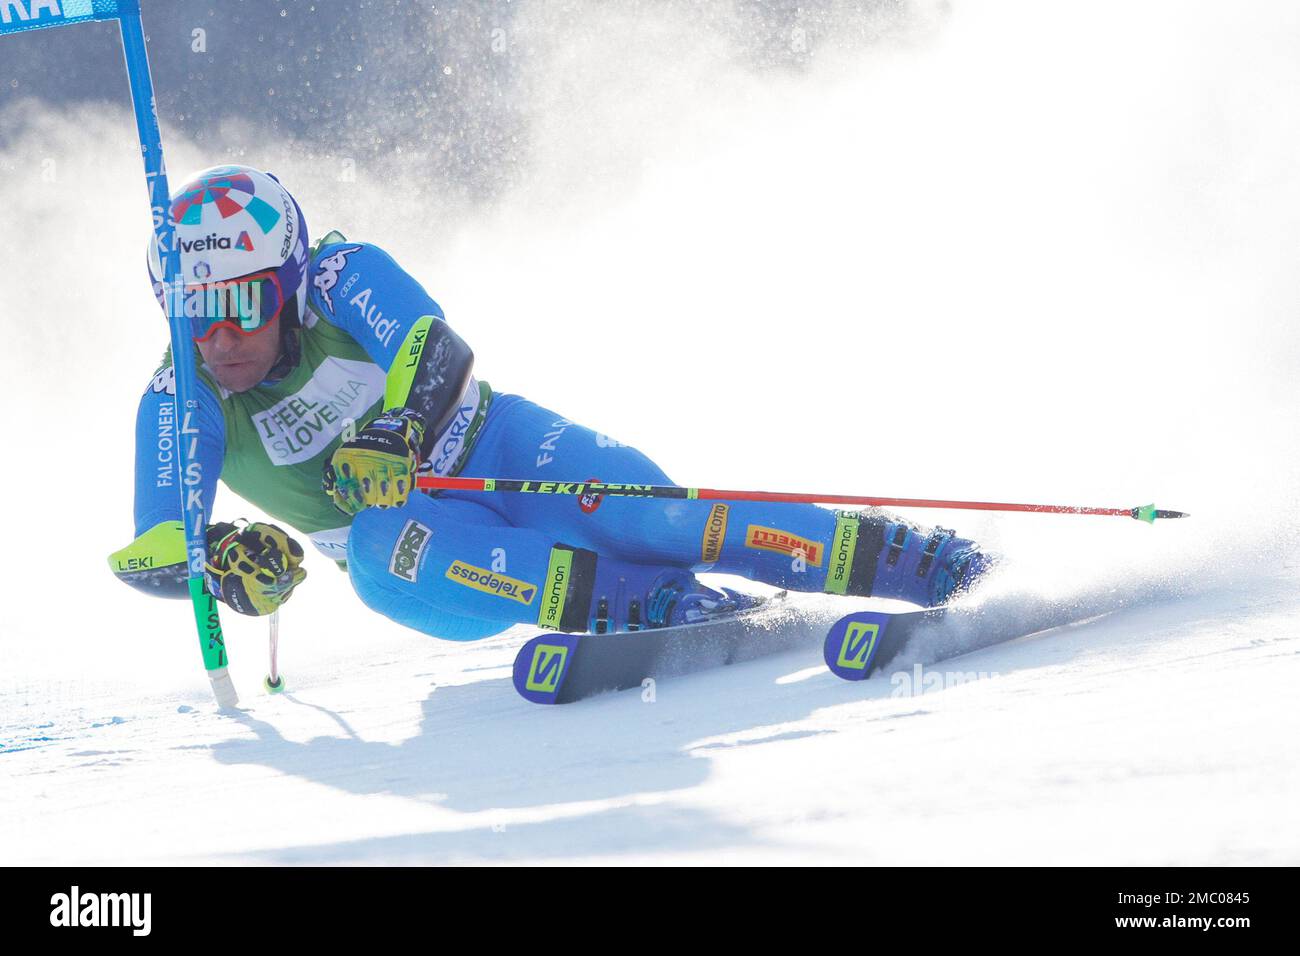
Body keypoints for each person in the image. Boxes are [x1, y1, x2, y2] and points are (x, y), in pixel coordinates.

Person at [109, 164, 992, 640]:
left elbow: (435, 346)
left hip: (497, 447)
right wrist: (221, 560)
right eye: (193, 309)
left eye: (242, 302)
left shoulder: (342, 274)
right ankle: (644, 608)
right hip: (429, 560)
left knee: (659, 518)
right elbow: (151, 549)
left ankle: (893, 555)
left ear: (294, 284)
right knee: (385, 543)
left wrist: (399, 428)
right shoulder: (178, 398)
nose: (217, 335)